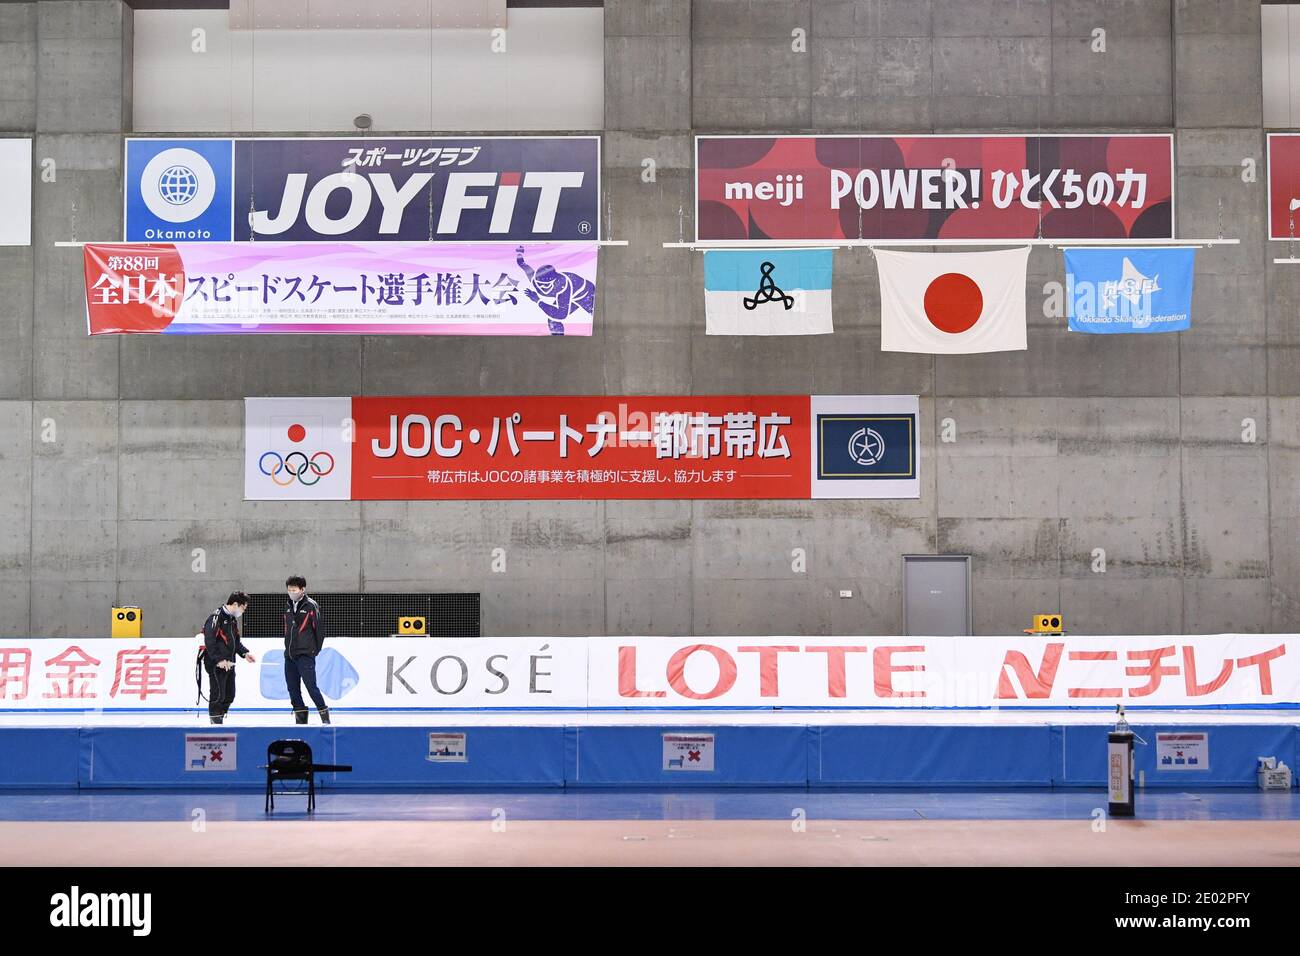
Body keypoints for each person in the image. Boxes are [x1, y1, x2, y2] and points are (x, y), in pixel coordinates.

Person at [201, 592, 255, 724]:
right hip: (216, 663)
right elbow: (209, 640)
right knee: (218, 694)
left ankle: (220, 715)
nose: (243, 611)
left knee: (230, 694)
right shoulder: (216, 617)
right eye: (243, 608)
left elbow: (235, 641)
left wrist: (244, 653)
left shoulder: (231, 619)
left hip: (229, 663)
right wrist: (219, 660)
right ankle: (215, 720)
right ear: (236, 604)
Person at [284, 575, 329, 724]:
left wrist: (314, 651)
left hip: (305, 654)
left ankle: (325, 717)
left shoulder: (311, 606)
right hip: (290, 655)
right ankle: (301, 718)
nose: (291, 592)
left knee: (311, 687)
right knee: (292, 688)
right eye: (289, 590)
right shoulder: (288, 605)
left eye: (294, 589)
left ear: (302, 589)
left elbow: (319, 631)